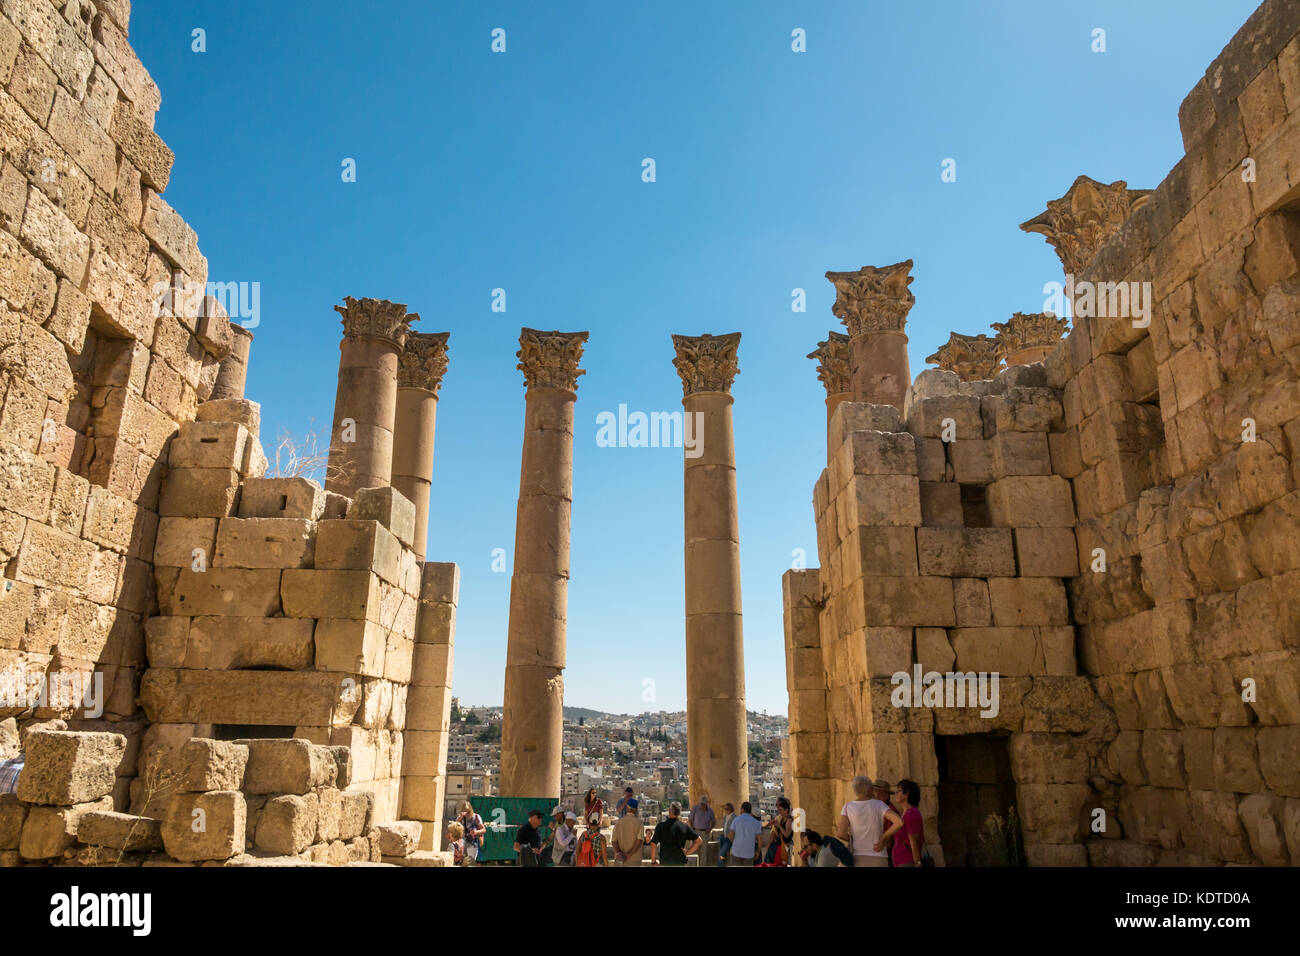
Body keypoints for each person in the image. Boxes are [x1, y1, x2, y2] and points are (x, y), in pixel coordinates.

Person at [837, 776, 902, 868]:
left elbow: (840, 834)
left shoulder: (847, 807)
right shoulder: (879, 805)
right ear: (870, 789)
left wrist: (853, 839)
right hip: (878, 857)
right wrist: (884, 837)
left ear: (855, 790)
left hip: (856, 857)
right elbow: (899, 822)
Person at [891, 779, 926, 867]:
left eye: (898, 791)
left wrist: (918, 863)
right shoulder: (905, 813)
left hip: (907, 862)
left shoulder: (912, 813)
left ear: (906, 794)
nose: (895, 793)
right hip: (900, 861)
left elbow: (913, 842)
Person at [726, 801, 763, 866]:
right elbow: (760, 839)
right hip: (749, 853)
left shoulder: (736, 820)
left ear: (742, 809)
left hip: (736, 852)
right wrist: (758, 852)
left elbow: (731, 836)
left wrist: (736, 844)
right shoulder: (756, 823)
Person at [612, 798, 645, 866]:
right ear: (636, 809)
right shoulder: (639, 823)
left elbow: (614, 841)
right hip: (635, 861)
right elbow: (639, 840)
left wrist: (619, 854)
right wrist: (628, 855)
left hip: (620, 862)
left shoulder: (618, 822)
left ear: (627, 807)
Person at [716, 801, 736, 867]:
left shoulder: (735, 817)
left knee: (720, 854)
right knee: (722, 854)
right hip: (723, 837)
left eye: (726, 809)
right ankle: (723, 865)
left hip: (729, 839)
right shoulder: (725, 817)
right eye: (725, 809)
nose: (725, 810)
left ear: (730, 809)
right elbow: (724, 827)